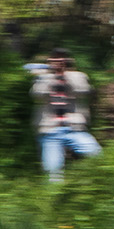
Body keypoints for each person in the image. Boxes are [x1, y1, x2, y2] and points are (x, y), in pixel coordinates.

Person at [29, 48, 101, 183]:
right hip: (50, 130)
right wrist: (51, 77)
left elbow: (84, 90)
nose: (58, 62)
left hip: (74, 128)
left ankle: (88, 183)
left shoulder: (78, 76)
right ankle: (55, 200)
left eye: (61, 59)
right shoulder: (42, 78)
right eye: (55, 59)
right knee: (53, 172)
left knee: (95, 154)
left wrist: (65, 76)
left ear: (68, 61)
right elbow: (37, 95)